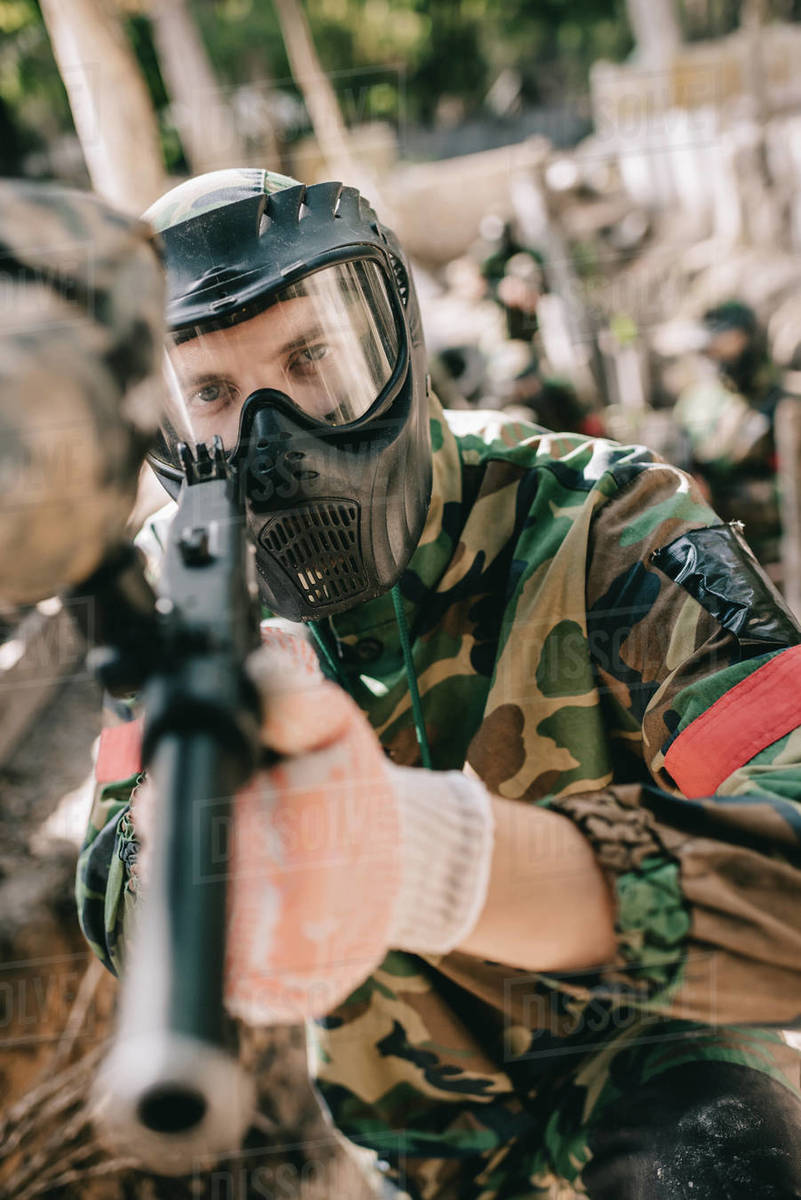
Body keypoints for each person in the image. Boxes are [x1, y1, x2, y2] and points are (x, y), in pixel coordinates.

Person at [76, 169, 801, 1199]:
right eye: (213, 395)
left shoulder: (599, 521)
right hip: (409, 1131)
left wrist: (435, 858)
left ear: (395, 342)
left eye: (313, 355)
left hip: (662, 1050)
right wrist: (194, 828)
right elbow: (115, 909)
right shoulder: (175, 598)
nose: (273, 440)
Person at [674, 301, 785, 575]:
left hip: (777, 544)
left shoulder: (780, 400)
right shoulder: (696, 403)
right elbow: (686, 472)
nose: (716, 352)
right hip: (722, 547)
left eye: (728, 340)